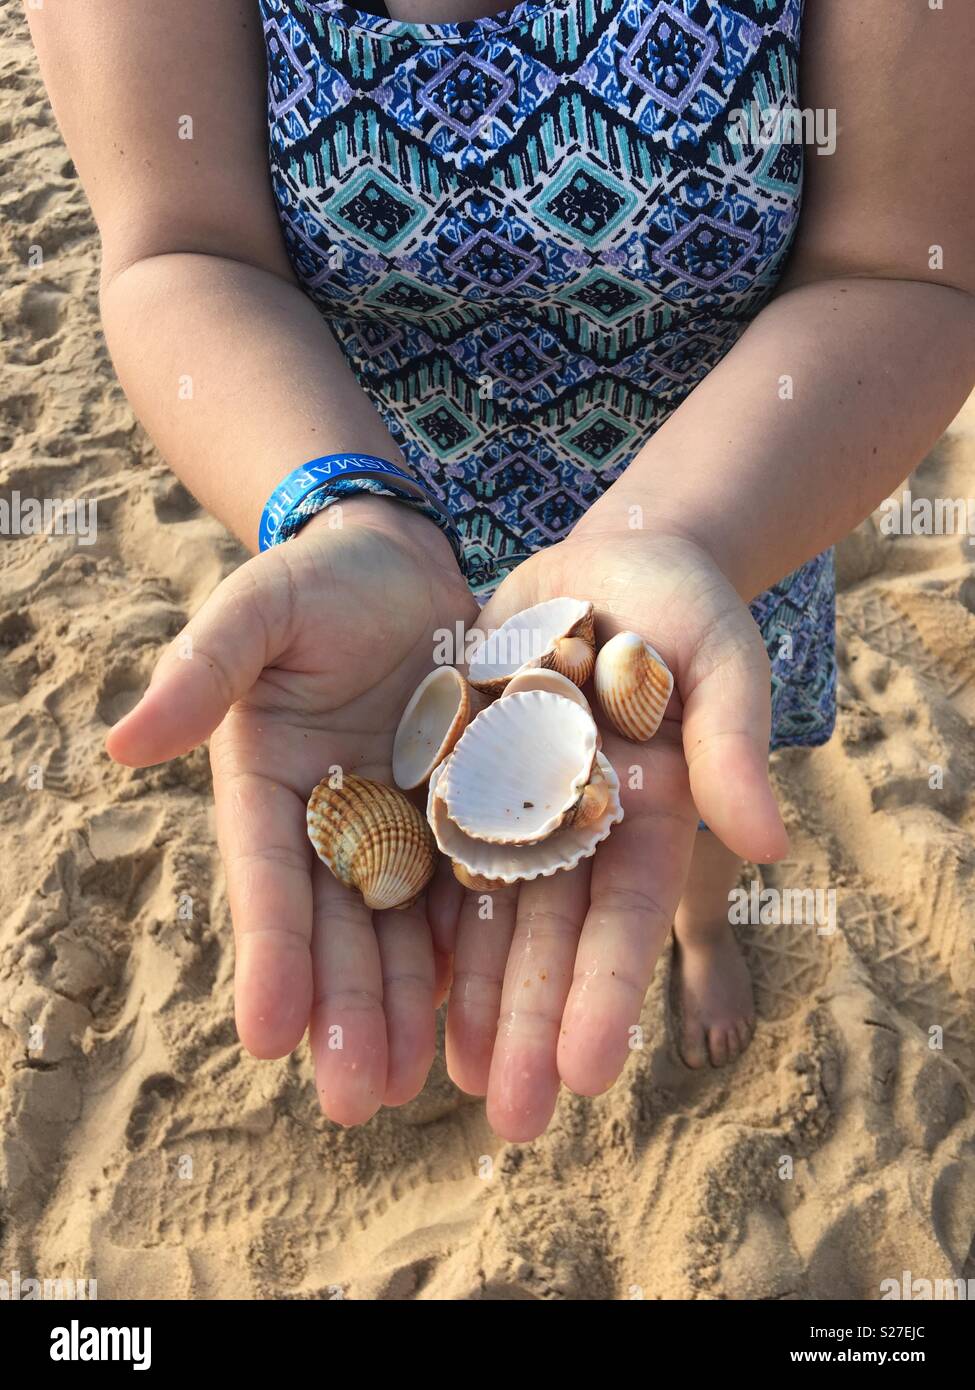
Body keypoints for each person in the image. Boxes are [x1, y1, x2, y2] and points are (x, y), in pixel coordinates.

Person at [27, 0, 975, 1141]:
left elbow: (903, 262)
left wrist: (672, 535)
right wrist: (345, 517)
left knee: (694, 763)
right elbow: (180, 246)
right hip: (373, 509)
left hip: (741, 491)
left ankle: (703, 929)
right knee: (637, 768)